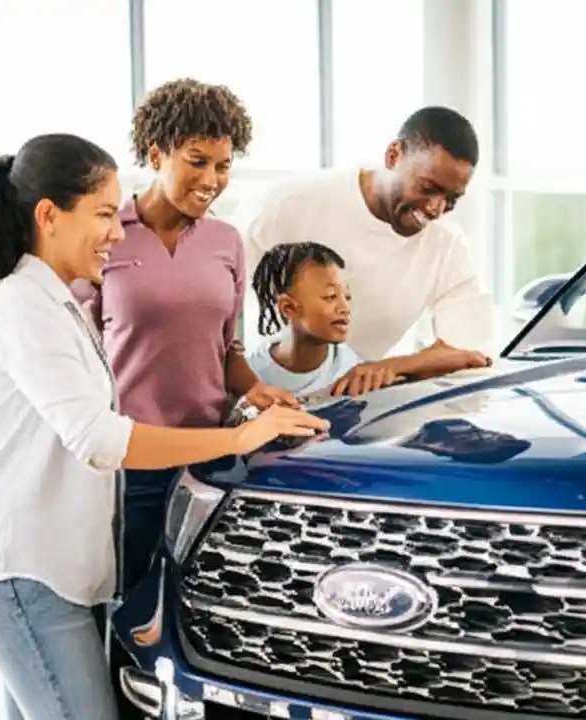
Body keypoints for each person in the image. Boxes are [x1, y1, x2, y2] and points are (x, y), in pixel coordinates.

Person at [0, 133, 328, 720]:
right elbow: (101, 438)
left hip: (61, 577)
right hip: (24, 575)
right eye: (103, 214)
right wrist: (239, 437)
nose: (118, 233)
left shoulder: (58, 302)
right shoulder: (20, 305)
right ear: (49, 215)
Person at [72, 78, 292, 597]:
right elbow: (78, 351)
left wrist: (255, 390)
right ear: (156, 152)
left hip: (212, 462)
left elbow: (227, 348)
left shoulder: (226, 241)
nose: (212, 179)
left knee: (194, 606)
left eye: (223, 165)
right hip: (130, 465)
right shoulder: (107, 234)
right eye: (197, 160)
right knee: (122, 603)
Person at [240, 106, 497, 373]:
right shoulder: (286, 205)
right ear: (394, 155)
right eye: (427, 188)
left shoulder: (445, 243)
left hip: (361, 402)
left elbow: (471, 353)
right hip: (267, 393)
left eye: (451, 199)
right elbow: (206, 299)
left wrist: (387, 368)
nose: (436, 209)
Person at [249, 241, 494, 398]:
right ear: (288, 308)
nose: (345, 308)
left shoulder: (354, 370)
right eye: (330, 297)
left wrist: (398, 367)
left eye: (347, 296)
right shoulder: (248, 374)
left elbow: (472, 360)